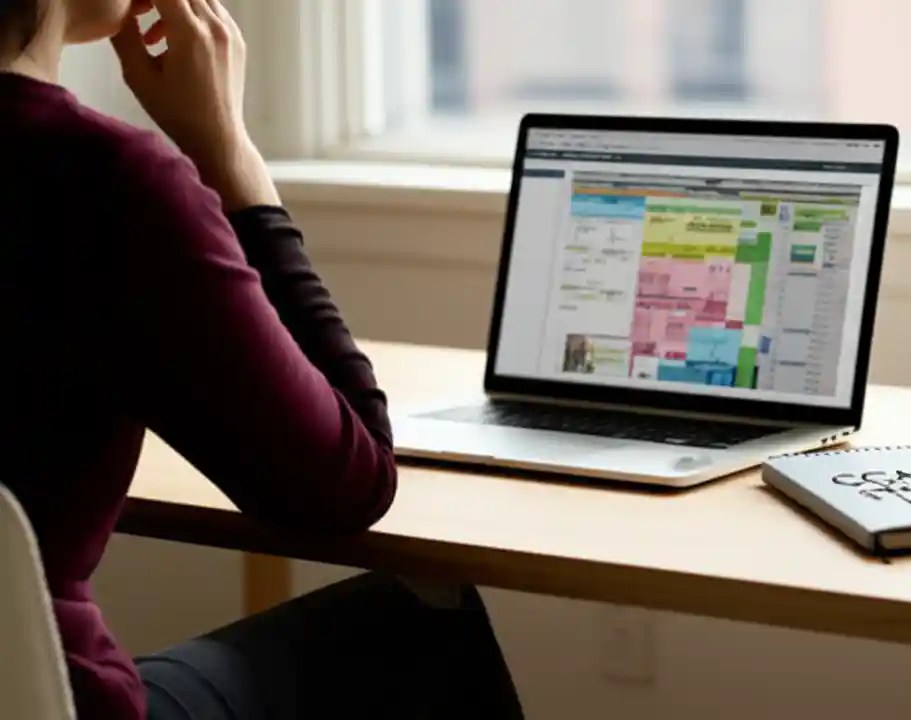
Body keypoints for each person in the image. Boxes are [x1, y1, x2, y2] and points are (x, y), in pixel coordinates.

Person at [0, 0, 524, 718]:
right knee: (421, 623)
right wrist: (229, 154)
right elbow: (344, 485)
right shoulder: (101, 180)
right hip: (48, 697)